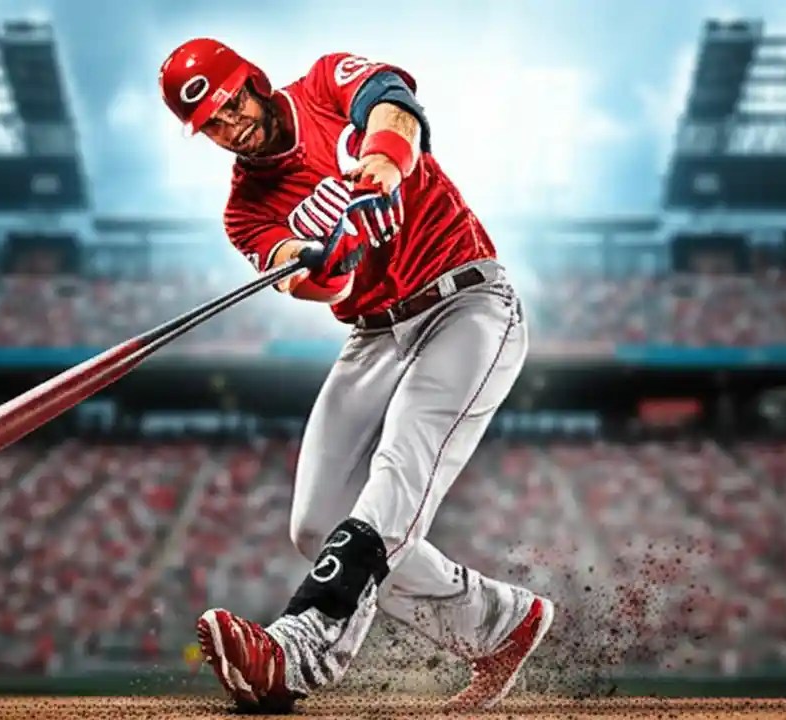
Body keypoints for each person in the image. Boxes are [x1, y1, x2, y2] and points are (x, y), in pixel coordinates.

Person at [158, 38, 554, 712]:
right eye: (213, 127)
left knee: (398, 473)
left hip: (464, 301)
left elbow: (394, 106)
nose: (231, 128)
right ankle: (500, 621)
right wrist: (326, 259)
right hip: (372, 332)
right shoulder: (244, 210)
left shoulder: (320, 86)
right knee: (315, 526)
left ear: (252, 81)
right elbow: (308, 280)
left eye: (232, 106)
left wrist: (378, 171)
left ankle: (300, 649)